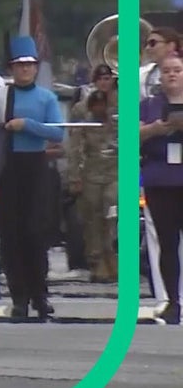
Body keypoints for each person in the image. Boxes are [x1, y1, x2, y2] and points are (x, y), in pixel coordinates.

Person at [0, 36, 65, 321]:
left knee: (35, 232)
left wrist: (27, 125)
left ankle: (40, 294)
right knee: (10, 233)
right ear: (12, 68)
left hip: (34, 166)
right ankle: (18, 296)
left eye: (30, 66)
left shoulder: (46, 97)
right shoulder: (2, 95)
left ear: (36, 68)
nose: (25, 70)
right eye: (20, 66)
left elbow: (57, 132)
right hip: (7, 166)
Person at [139, 53, 183, 324]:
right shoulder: (150, 105)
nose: (172, 75)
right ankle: (172, 301)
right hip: (161, 179)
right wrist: (155, 129)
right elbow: (131, 133)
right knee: (167, 244)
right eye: (167, 71)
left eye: (177, 70)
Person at [66, 89, 118, 283]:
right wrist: (74, 178)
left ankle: (111, 254)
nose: (99, 108)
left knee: (111, 211)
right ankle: (97, 263)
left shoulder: (117, 121)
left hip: (114, 174)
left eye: (102, 104)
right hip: (91, 177)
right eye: (95, 105)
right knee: (92, 221)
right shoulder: (85, 123)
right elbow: (75, 151)